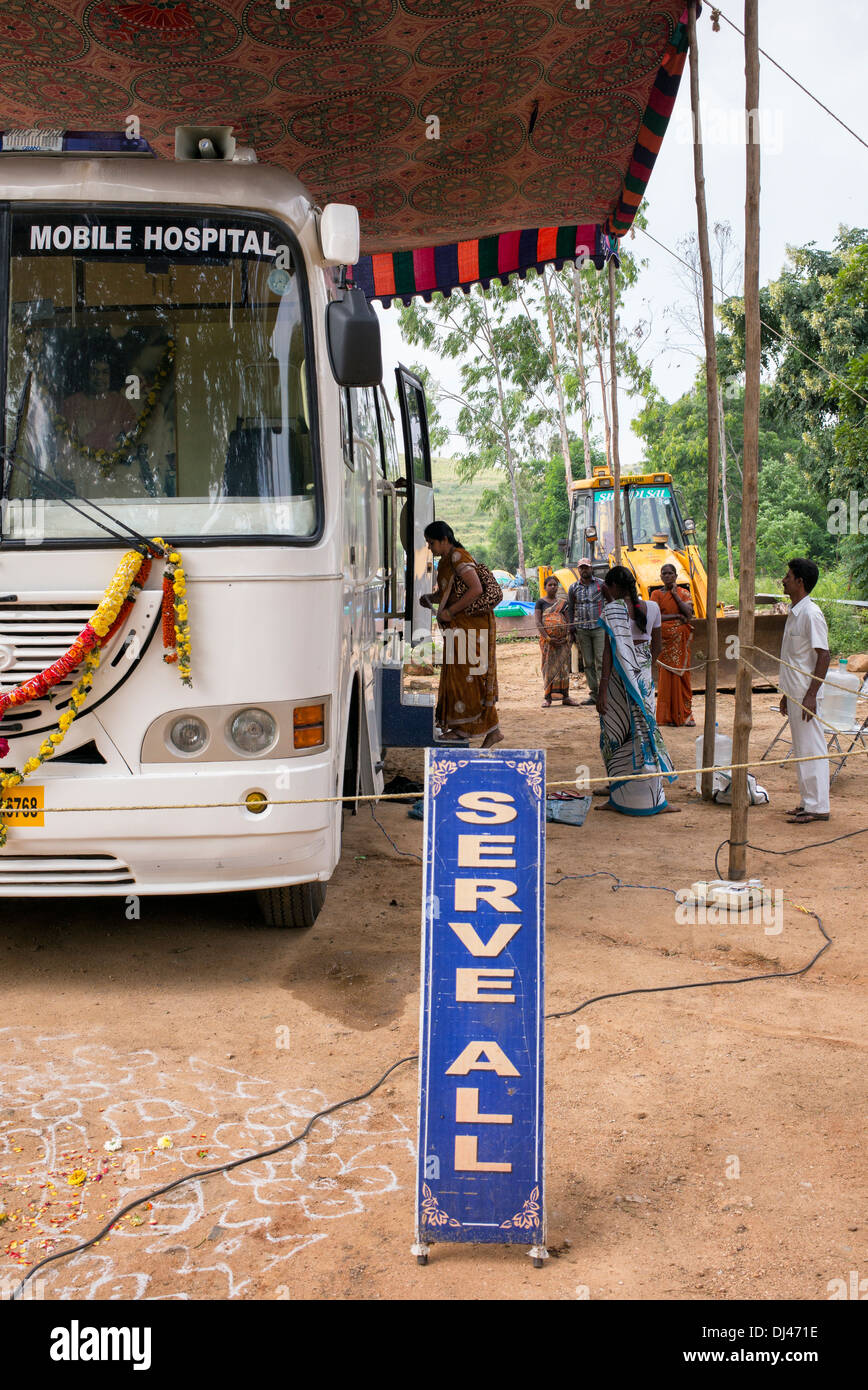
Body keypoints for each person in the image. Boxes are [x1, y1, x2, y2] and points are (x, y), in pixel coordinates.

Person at [595, 565, 678, 815]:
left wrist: (602, 689)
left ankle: (618, 795)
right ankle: (654, 798)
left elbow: (609, 654)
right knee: (646, 734)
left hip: (619, 684)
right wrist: (641, 670)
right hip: (643, 682)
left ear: (613, 587)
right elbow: (658, 646)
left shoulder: (612, 611)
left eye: (606, 588)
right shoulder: (652, 607)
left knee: (617, 737)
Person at [421, 521, 502, 747]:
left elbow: (476, 589)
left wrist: (449, 612)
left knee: (470, 678)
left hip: (471, 626)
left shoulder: (458, 558)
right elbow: (453, 593)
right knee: (464, 676)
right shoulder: (447, 562)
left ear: (445, 540)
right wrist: (431, 598)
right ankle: (491, 730)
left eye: (432, 542)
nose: (430, 547)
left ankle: (463, 730)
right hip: (458, 628)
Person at [779, 557, 831, 824]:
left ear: (800, 581)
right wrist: (786, 694)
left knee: (812, 749)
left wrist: (811, 694)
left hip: (806, 694)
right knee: (802, 750)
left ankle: (819, 806)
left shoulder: (811, 614)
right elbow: (794, 658)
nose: (784, 580)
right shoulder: (795, 611)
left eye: (788, 576)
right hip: (796, 692)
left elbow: (823, 655)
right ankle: (808, 802)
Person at [656, 563, 695, 726]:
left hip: (680, 642)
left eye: (670, 573)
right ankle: (668, 717)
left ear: (676, 576)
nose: (667, 576)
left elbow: (689, 614)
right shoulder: (656, 594)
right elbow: (655, 616)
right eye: (664, 573)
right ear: (661, 577)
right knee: (666, 679)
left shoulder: (683, 593)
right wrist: (676, 616)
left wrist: (675, 596)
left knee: (683, 677)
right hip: (665, 643)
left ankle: (685, 715)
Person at [567, 558, 604, 705]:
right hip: (582, 629)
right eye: (581, 568)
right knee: (588, 663)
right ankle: (594, 695)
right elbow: (571, 607)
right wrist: (571, 625)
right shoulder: (573, 588)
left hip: (599, 627)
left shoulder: (601, 585)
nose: (584, 570)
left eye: (586, 568)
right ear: (578, 570)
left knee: (600, 661)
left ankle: (604, 693)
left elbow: (609, 601)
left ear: (591, 569)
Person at [534, 575, 576, 708]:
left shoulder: (563, 603)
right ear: (545, 587)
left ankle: (566, 697)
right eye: (550, 585)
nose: (553, 587)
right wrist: (548, 638)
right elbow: (538, 622)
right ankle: (548, 698)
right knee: (548, 667)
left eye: (555, 585)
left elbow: (569, 620)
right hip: (548, 642)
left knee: (563, 668)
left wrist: (567, 636)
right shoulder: (540, 602)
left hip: (563, 642)